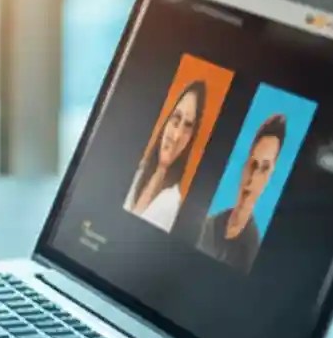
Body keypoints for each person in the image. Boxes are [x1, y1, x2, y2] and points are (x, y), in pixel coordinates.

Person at [195, 114, 287, 273]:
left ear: (269, 177)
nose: (252, 178)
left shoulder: (252, 255)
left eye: (264, 169)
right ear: (245, 165)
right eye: (253, 164)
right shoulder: (209, 224)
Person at [123, 80, 207, 232]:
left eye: (187, 126)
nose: (176, 136)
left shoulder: (172, 203)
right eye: (176, 119)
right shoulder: (136, 170)